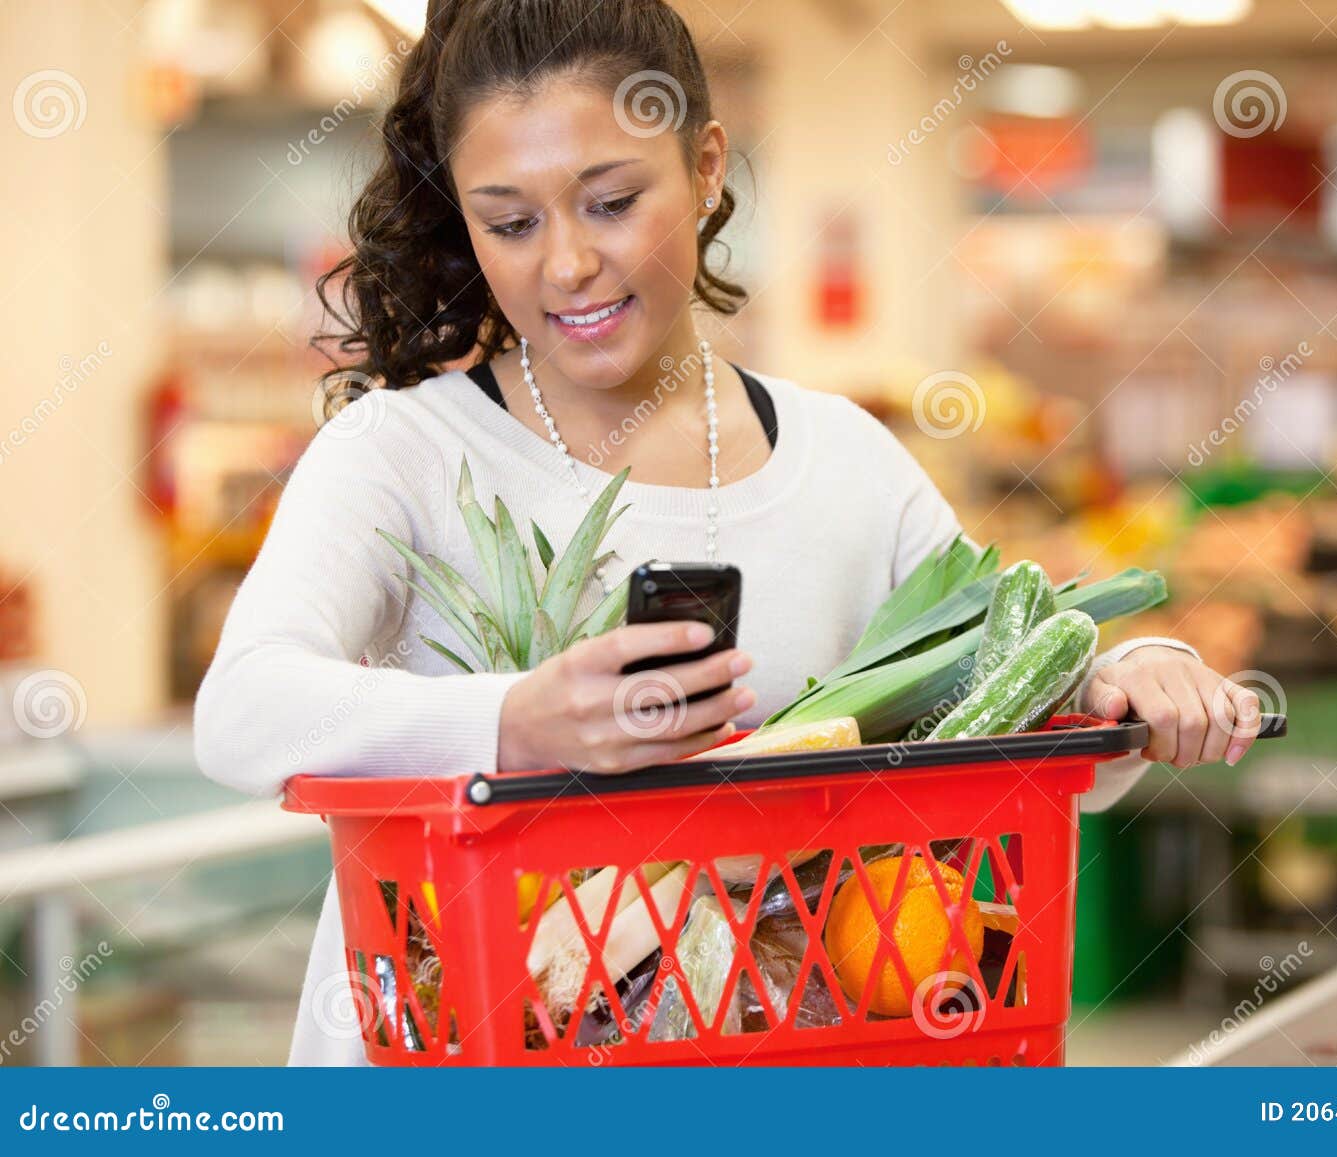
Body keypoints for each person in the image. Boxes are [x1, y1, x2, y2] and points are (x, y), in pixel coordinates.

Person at [192, 0, 1263, 1065]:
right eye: (509, 222)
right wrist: (518, 720)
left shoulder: (845, 461)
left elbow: (991, 729)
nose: (564, 264)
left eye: (610, 201)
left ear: (707, 167)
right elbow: (242, 710)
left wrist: (1128, 678)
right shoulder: (401, 451)